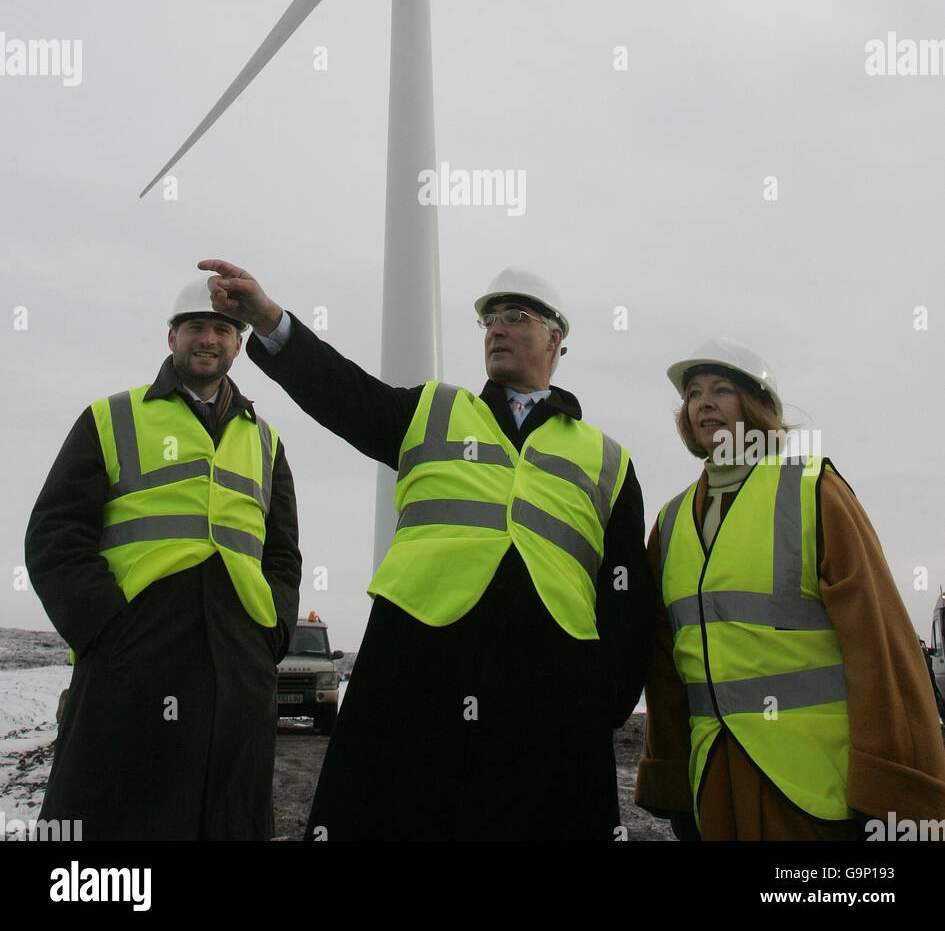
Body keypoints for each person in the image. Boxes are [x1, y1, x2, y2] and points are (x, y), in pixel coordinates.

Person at [198, 257, 656, 841]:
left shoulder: (608, 459)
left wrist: (603, 703)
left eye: (516, 317)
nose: (496, 329)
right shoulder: (433, 410)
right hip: (416, 667)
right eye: (489, 319)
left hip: (548, 688)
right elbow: (341, 391)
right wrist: (269, 321)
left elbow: (626, 596)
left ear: (555, 337)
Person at [635, 338, 945, 841]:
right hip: (713, 783)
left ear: (757, 410)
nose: (703, 403)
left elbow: (880, 644)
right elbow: (664, 664)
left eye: (721, 390)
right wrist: (671, 778)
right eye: (693, 393)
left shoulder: (814, 490)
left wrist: (893, 789)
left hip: (812, 789)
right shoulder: (669, 523)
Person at [25, 278, 302, 841]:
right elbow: (55, 535)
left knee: (226, 816)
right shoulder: (111, 418)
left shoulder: (267, 443)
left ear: (238, 342)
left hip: (238, 653)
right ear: (172, 336)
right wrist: (105, 627)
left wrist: (271, 630)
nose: (209, 339)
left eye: (222, 328)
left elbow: (283, 553)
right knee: (114, 819)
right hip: (134, 645)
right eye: (196, 326)